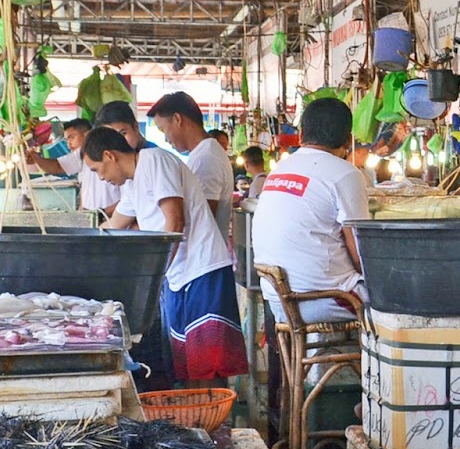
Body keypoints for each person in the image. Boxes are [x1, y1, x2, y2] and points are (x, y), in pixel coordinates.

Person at [83, 127, 245, 382]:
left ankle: (213, 408)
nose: (101, 178)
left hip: (202, 269)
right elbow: (113, 227)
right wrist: (80, 248)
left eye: (96, 170)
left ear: (109, 156)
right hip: (178, 275)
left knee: (207, 364)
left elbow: (175, 220)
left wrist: (156, 274)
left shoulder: (154, 161)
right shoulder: (132, 184)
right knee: (188, 364)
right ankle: (195, 407)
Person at [251, 97, 370, 324]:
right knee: (397, 300)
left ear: (302, 134)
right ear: (348, 140)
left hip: (278, 301)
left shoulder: (278, 170)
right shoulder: (345, 173)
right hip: (327, 299)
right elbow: (360, 252)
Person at [149, 92, 233, 239]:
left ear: (177, 119)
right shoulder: (201, 154)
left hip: (203, 252)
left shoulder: (206, 158)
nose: (166, 139)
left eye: (163, 129)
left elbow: (202, 220)